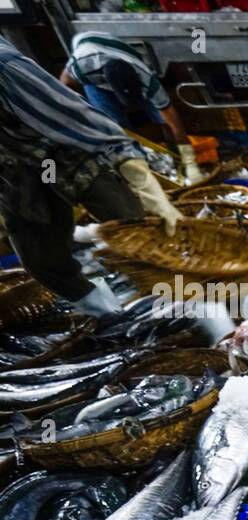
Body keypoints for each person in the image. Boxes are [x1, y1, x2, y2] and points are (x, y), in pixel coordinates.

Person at [0, 36, 180, 317]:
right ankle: (110, 321)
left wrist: (147, 186)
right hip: (12, 168)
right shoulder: (80, 67)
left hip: (62, 148)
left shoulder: (5, 68)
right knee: (42, 259)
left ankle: (199, 307)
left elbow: (82, 120)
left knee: (136, 229)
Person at [58, 32, 197, 180]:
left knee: (161, 118)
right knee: (115, 127)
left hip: (121, 59)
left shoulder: (144, 77)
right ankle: (133, 166)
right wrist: (84, 115)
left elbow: (172, 120)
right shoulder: (81, 67)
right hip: (94, 74)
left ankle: (174, 155)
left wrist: (190, 162)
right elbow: (63, 86)